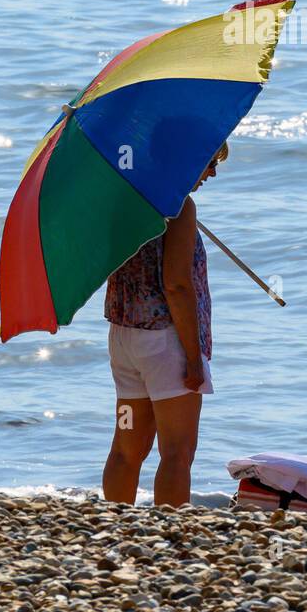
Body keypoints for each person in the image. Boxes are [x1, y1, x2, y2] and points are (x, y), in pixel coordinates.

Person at [101, 145, 225, 507]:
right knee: (177, 451)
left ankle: (115, 522)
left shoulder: (124, 202)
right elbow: (177, 285)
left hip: (124, 341)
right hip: (165, 342)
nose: (213, 173)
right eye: (211, 162)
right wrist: (192, 357)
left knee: (127, 447)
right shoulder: (178, 207)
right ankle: (169, 534)